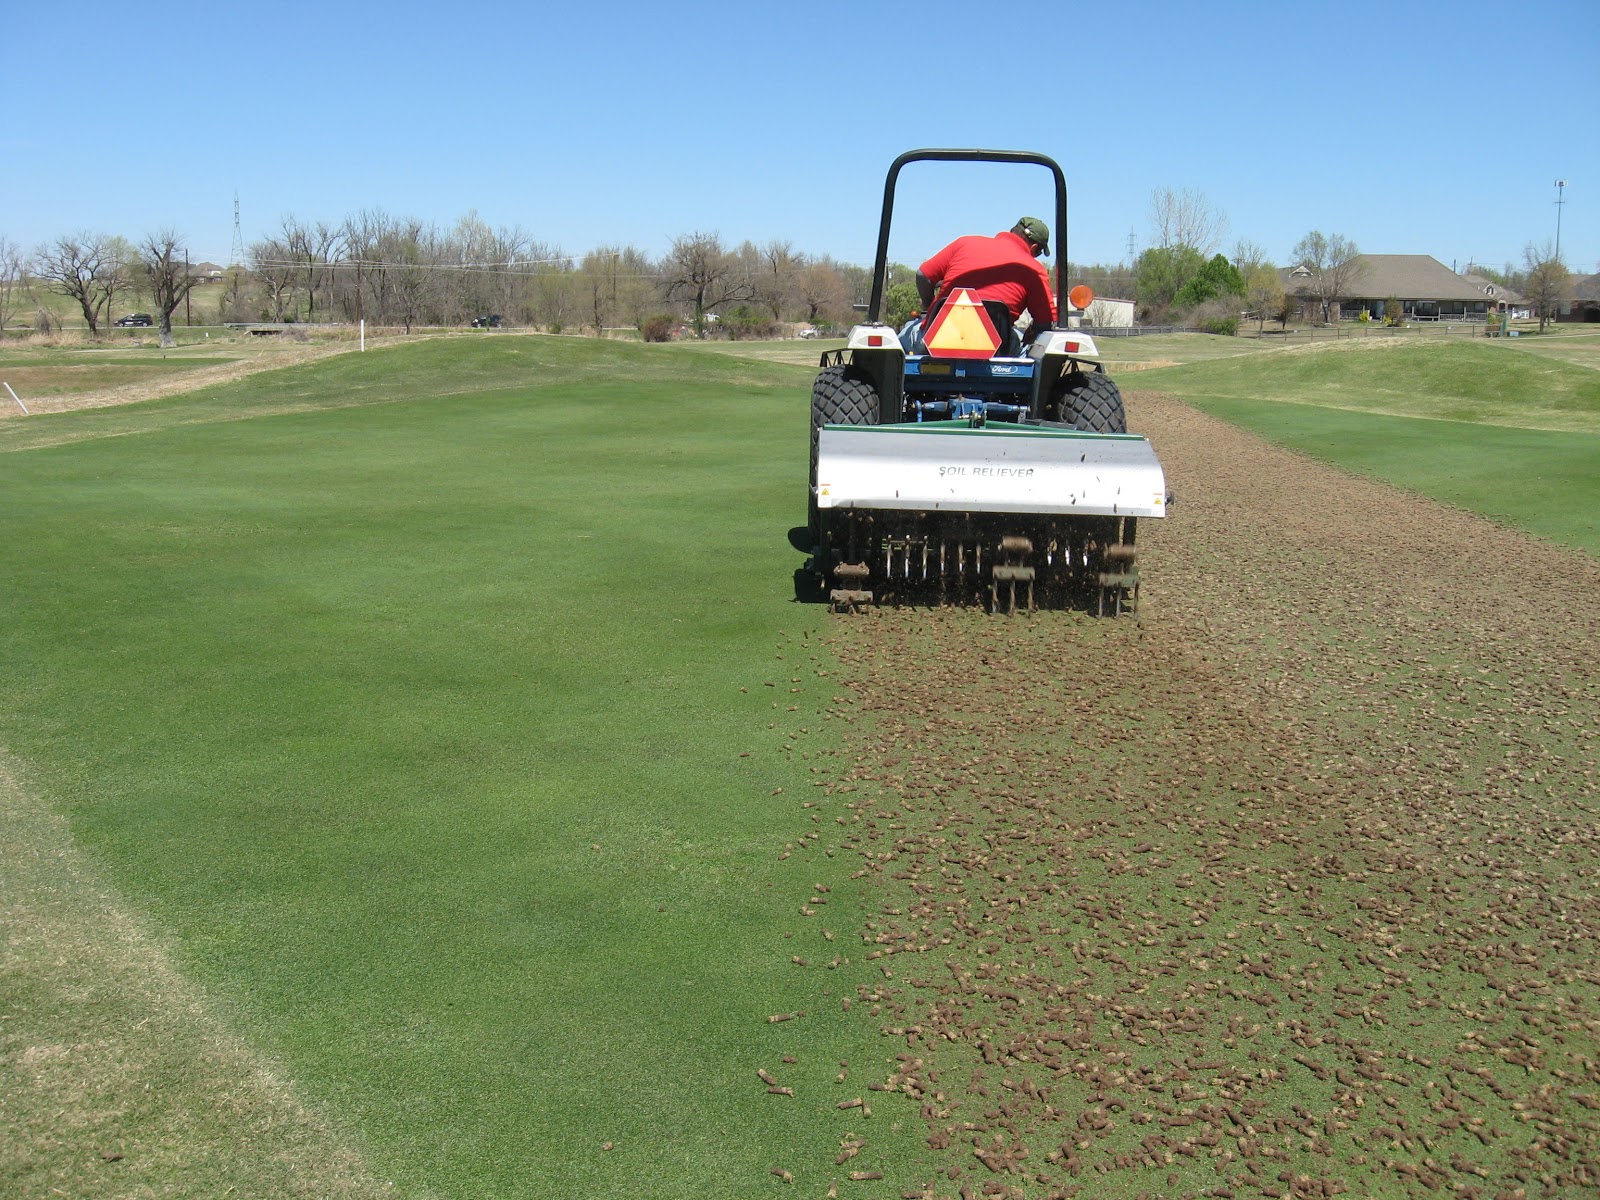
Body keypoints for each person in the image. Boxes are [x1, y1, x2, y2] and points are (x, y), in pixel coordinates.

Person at [900, 218, 1057, 355]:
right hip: (997, 349)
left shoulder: (965, 243)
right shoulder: (1034, 270)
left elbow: (923, 275)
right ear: (1034, 248)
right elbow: (1045, 323)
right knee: (1025, 346)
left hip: (935, 340)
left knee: (904, 334)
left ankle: (890, 388)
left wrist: (929, 309)